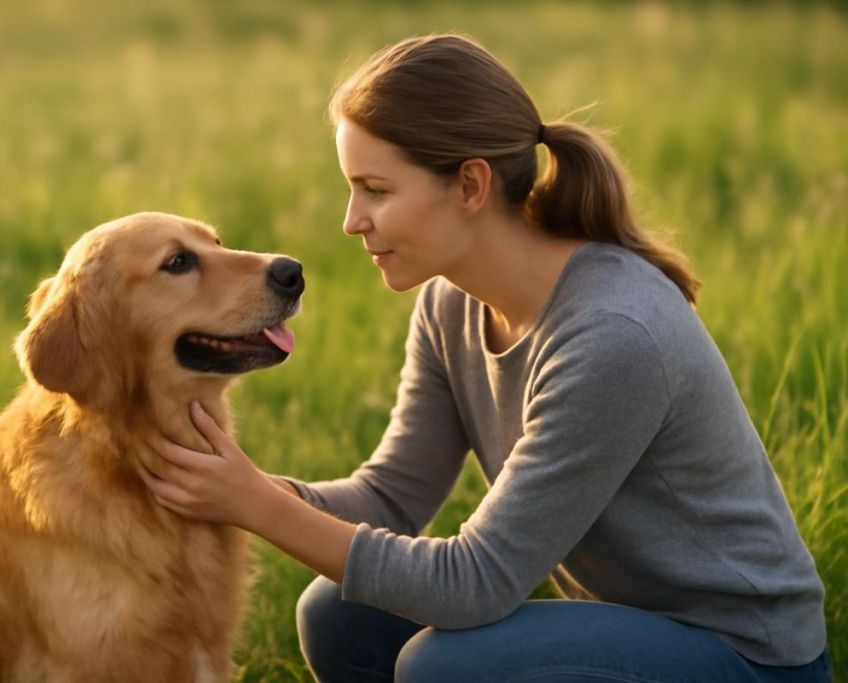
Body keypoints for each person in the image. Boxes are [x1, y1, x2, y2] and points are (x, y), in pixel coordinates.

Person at [138, 34, 831, 682]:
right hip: (618, 624)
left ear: (470, 186)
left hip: (745, 652)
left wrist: (258, 505)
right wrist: (241, 491)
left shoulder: (614, 335)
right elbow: (390, 496)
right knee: (337, 613)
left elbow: (476, 582)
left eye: (375, 189)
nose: (352, 220)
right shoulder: (452, 306)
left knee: (445, 665)